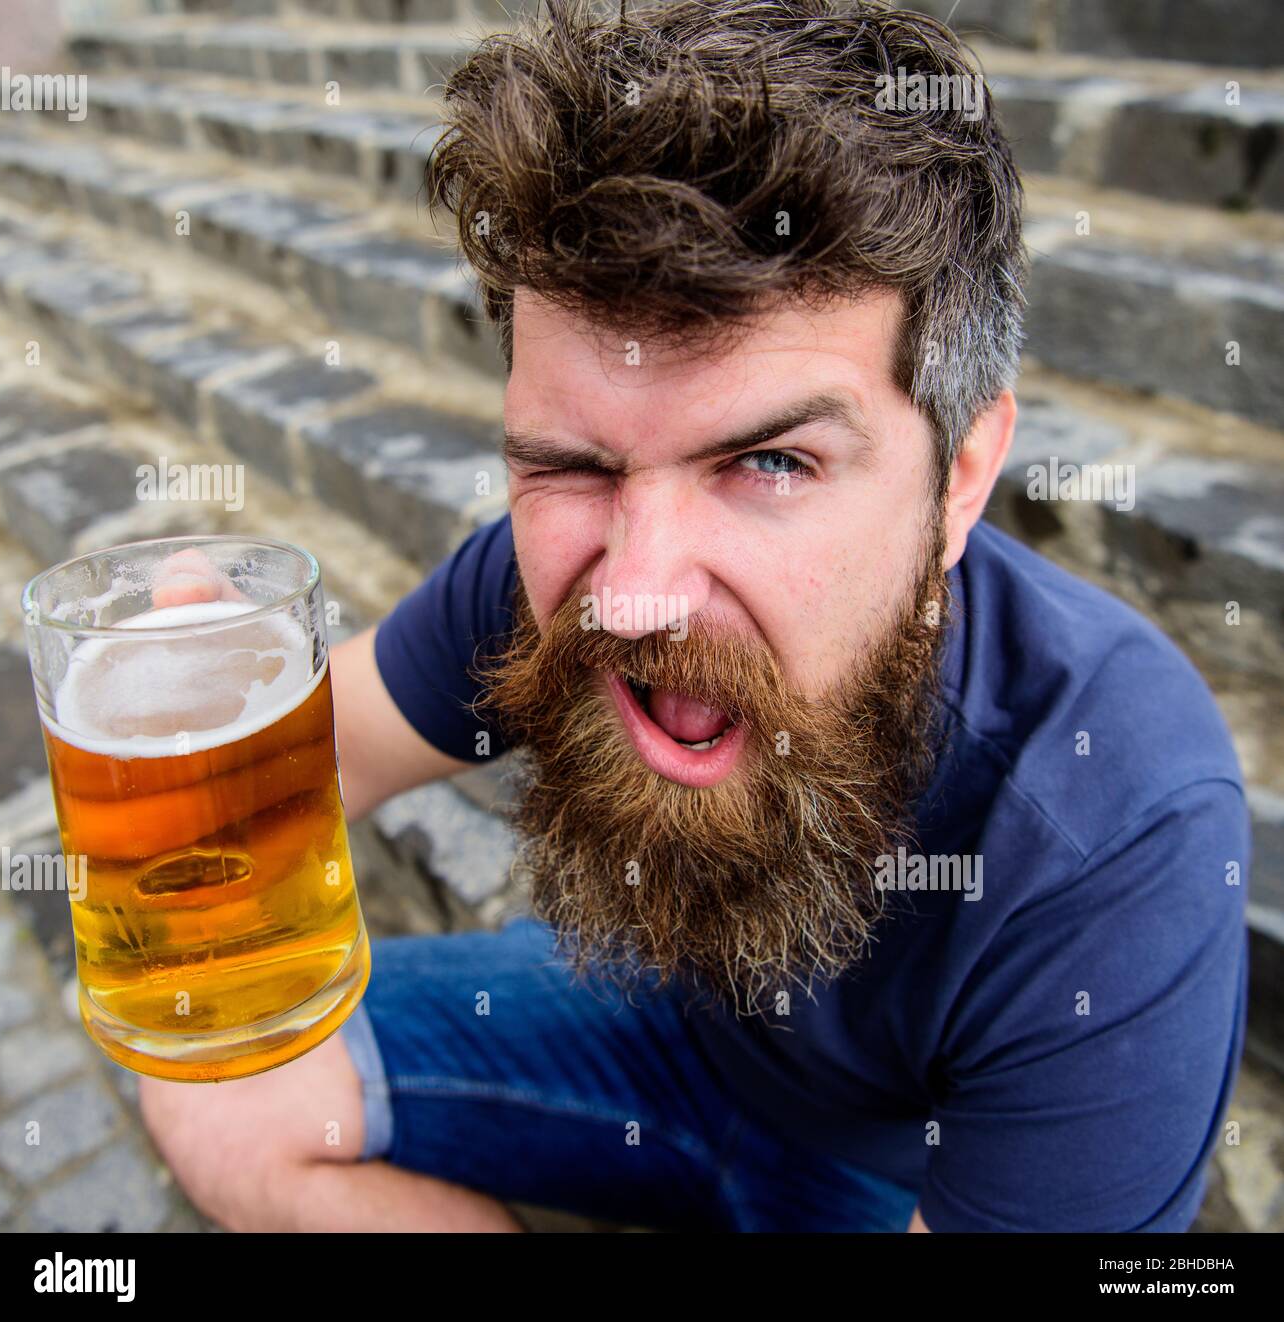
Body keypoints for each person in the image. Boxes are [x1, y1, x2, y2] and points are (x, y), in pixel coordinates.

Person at [138, 0, 1249, 1232]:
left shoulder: (1123, 815)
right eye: (575, 464)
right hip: (654, 1028)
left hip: (897, 1178)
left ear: (962, 476)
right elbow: (303, 769)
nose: (635, 591)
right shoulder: (544, 576)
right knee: (209, 1072)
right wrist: (200, 747)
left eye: (770, 462)